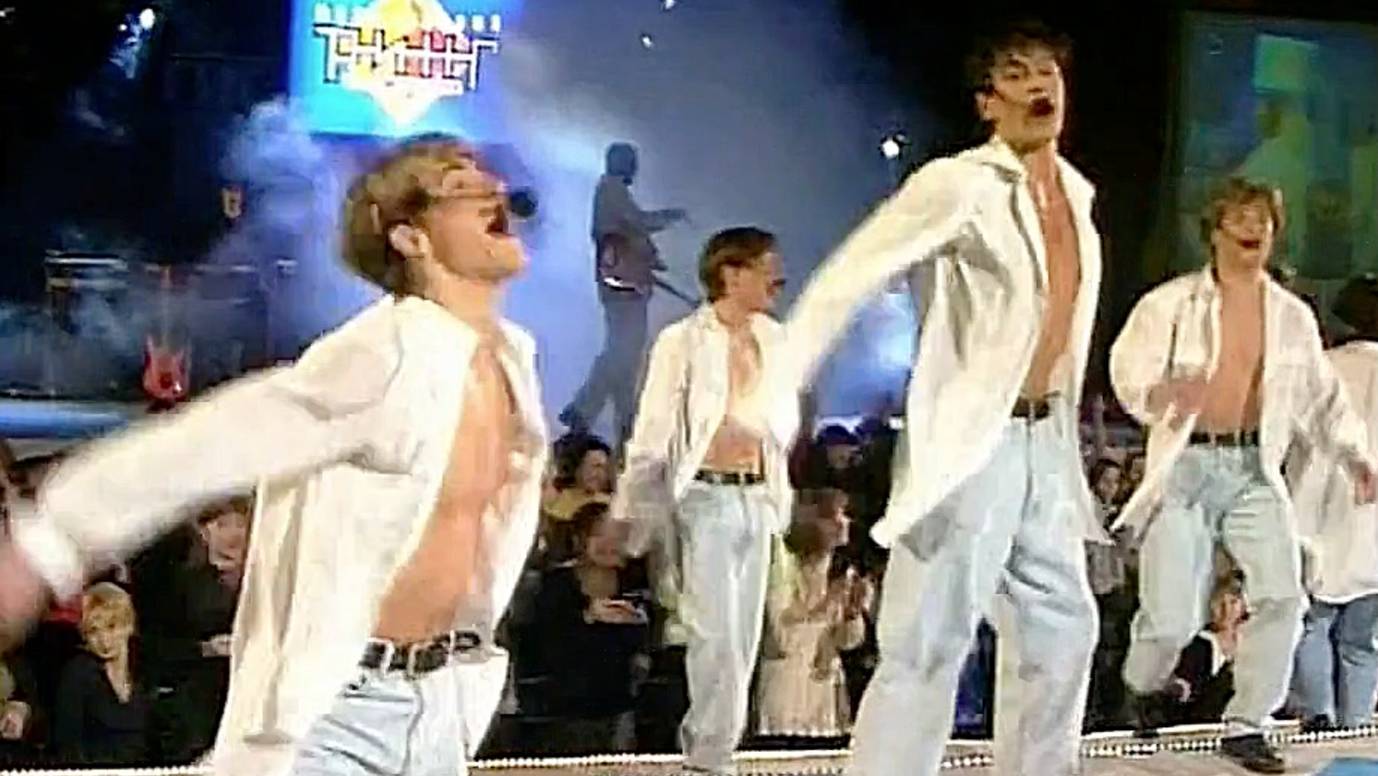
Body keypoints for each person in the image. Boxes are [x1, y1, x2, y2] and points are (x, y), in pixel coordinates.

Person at [0, 134, 548, 776]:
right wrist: (48, 543)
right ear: (410, 238)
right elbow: (221, 436)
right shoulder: (389, 353)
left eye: (489, 180)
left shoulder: (512, 358)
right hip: (344, 713)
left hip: (444, 707)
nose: (493, 192)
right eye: (459, 186)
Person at [781, 20, 1103, 776]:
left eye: (1048, 71)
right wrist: (781, 380)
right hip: (973, 440)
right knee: (928, 639)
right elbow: (853, 272)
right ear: (988, 103)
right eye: (1016, 74)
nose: (1039, 85)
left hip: (1045, 442)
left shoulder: (1076, 194)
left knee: (1063, 627)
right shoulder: (960, 182)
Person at [1110, 177, 1376, 773]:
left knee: (1284, 596)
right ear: (1216, 230)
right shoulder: (1172, 304)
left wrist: (1355, 455)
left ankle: (1248, 722)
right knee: (1172, 617)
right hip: (1186, 467)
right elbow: (1129, 367)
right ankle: (1142, 685)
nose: (1255, 229)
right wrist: (1158, 393)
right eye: (1242, 218)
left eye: (1265, 220)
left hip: (1254, 467)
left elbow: (1323, 399)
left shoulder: (1290, 316)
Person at [614, 226, 796, 775]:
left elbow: (783, 422)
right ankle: (708, 755)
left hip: (757, 496)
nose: (777, 279)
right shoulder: (683, 341)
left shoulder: (775, 339)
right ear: (731, 273)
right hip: (705, 496)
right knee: (714, 632)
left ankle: (719, 749)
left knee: (745, 637)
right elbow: (654, 429)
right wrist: (630, 508)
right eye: (766, 268)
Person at [1288, 275, 1378, 731]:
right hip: (1373, 521)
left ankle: (1317, 718)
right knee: (1362, 640)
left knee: (1311, 622)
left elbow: (1292, 436)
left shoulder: (1322, 368)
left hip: (1319, 510)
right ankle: (1357, 727)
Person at [561, 142, 688, 444]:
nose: (634, 168)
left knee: (627, 356)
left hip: (629, 283)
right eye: (630, 161)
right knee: (623, 349)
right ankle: (584, 409)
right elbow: (637, 224)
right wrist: (670, 217)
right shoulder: (611, 191)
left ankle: (625, 421)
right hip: (623, 286)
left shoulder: (613, 194)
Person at [754, 488, 867, 745]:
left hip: (826, 700)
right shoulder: (783, 569)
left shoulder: (842, 571)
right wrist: (829, 603)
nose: (845, 522)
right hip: (787, 695)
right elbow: (781, 638)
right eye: (835, 515)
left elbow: (849, 642)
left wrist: (852, 613)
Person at [53, 582, 151, 766]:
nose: (104, 640)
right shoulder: (78, 674)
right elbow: (68, 747)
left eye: (111, 627)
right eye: (94, 631)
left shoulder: (145, 671)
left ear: (129, 626)